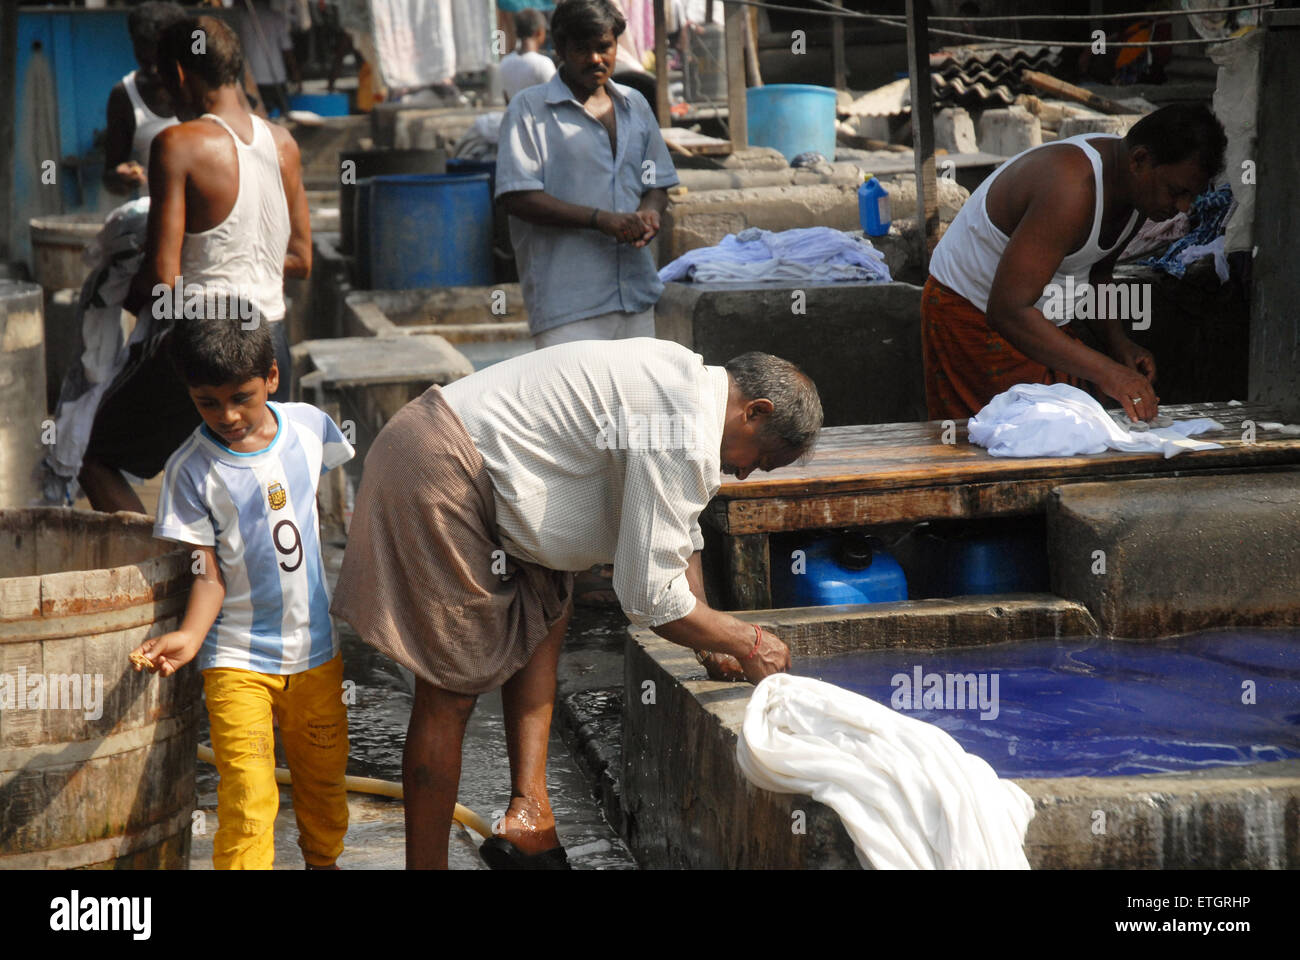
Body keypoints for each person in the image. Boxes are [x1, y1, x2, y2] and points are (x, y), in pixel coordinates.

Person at [331, 340, 822, 869]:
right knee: (449, 694)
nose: (746, 475)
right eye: (762, 459)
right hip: (438, 467)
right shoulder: (685, 425)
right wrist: (748, 641)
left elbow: (679, 539)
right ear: (755, 412)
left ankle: (530, 816)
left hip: (467, 463)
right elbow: (649, 598)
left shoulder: (685, 387)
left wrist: (710, 649)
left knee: (548, 608)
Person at [129, 316, 354, 870]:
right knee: (249, 802)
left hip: (316, 655)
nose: (227, 415)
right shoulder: (190, 471)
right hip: (236, 660)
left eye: (241, 398)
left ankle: (323, 863)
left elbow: (337, 514)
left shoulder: (310, 428)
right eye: (208, 402)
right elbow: (208, 572)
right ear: (190, 396)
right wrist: (189, 635)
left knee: (325, 788)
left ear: (272, 377)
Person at [78, 14, 311, 515]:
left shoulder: (178, 144)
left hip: (204, 341)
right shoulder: (284, 144)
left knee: (94, 458)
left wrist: (115, 292)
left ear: (180, 76)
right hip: (270, 342)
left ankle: (172, 576)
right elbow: (301, 259)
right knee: (253, 485)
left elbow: (163, 278)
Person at [921, 103, 1227, 424]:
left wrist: (1119, 346)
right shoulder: (1069, 189)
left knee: (1060, 440)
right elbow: (1008, 311)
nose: (1182, 207)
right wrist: (1108, 372)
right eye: (1176, 192)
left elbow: (1098, 270)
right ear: (1139, 160)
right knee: (998, 446)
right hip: (973, 315)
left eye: (1191, 196)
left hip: (1037, 318)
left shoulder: (1140, 193)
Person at [496, 0, 678, 348]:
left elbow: (657, 181)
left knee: (638, 401)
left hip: (636, 293)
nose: (596, 58)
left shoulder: (635, 104)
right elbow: (517, 197)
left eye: (604, 47)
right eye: (582, 49)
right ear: (561, 49)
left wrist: (650, 212)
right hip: (568, 303)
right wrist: (600, 220)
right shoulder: (529, 109)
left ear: (615, 46)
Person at [102, 1, 186, 197]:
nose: (154, 69)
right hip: (157, 215)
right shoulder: (123, 96)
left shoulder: (203, 85)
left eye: (160, 60)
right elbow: (110, 175)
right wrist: (122, 177)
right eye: (145, 60)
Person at [500, 8, 556, 102]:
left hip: (514, 115)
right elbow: (555, 96)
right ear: (539, 32)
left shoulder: (505, 62)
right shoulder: (543, 64)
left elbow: (506, 98)